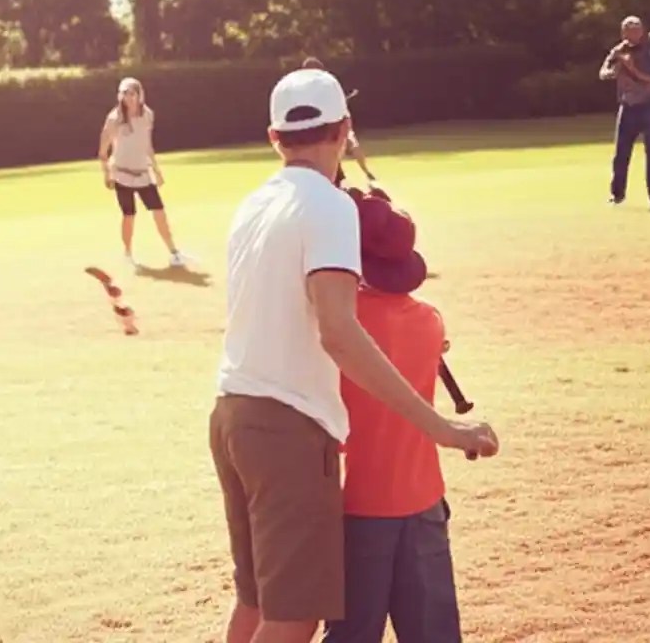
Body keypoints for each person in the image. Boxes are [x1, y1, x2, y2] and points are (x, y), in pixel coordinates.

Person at [209, 68, 498, 643]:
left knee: (257, 601)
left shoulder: (254, 204)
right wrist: (441, 427)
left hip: (231, 414)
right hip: (286, 431)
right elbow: (338, 331)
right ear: (345, 129)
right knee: (294, 616)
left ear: (274, 138)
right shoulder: (331, 205)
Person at [322, 185, 465, 643]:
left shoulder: (336, 324)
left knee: (353, 634)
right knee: (433, 633)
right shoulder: (429, 319)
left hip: (358, 506)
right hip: (423, 500)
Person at [98, 77, 188, 268]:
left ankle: (174, 252)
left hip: (143, 174)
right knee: (129, 215)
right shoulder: (114, 119)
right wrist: (106, 173)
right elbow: (103, 150)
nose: (128, 98)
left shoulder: (147, 115)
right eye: (124, 94)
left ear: (140, 95)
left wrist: (156, 170)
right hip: (121, 174)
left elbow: (147, 145)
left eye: (132, 94)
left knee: (159, 212)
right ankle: (128, 254)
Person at [598, 15, 650, 211]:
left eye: (637, 29)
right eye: (629, 29)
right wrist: (615, 69)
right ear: (623, 33)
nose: (633, 32)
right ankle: (617, 194)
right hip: (627, 108)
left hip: (649, 107)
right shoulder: (619, 51)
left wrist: (632, 68)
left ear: (642, 31)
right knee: (621, 154)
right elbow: (603, 73)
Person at [302, 57, 377, 186]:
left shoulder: (326, 85)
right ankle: (337, 176)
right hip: (324, 124)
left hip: (335, 121)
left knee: (350, 147)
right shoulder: (312, 87)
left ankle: (364, 172)